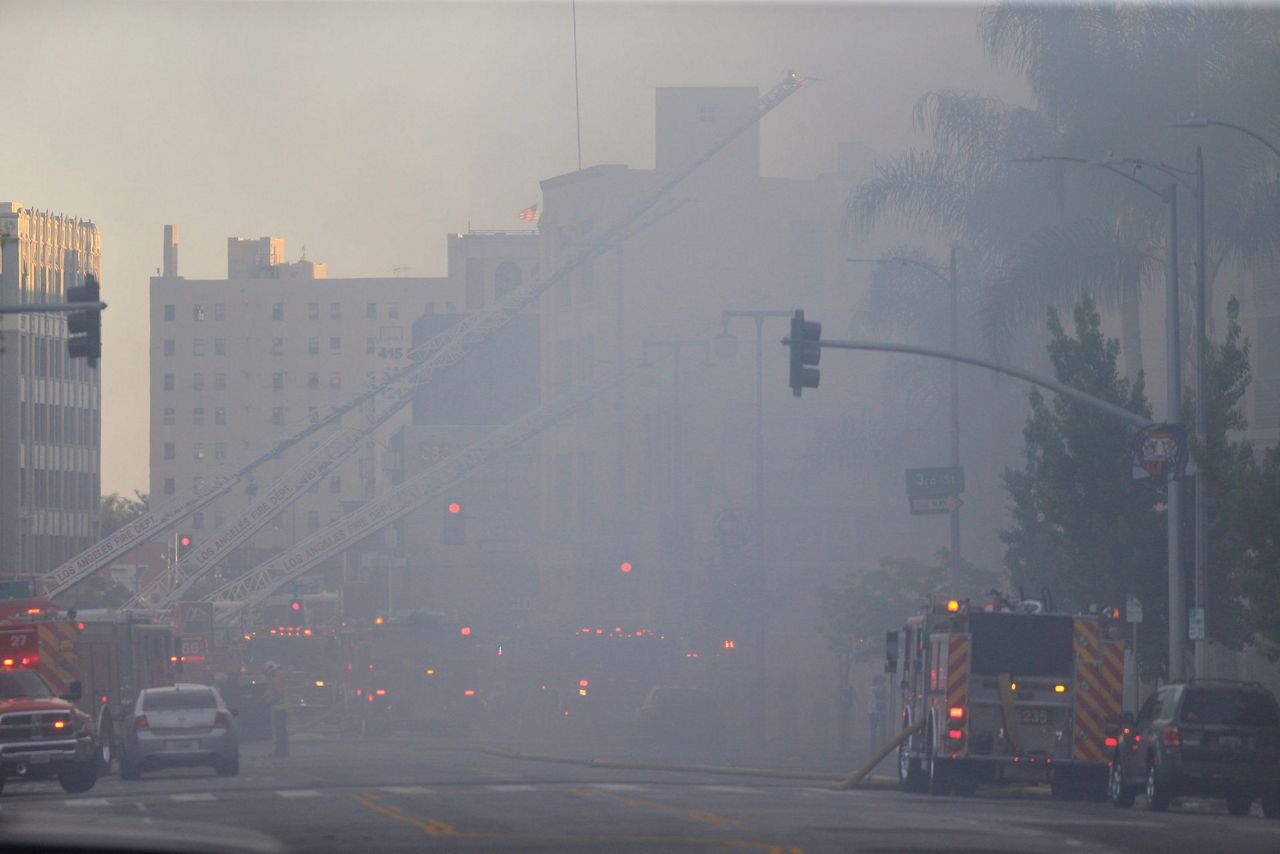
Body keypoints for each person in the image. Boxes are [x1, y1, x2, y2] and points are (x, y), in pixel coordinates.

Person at [264, 661, 290, 758]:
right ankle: (282, 751)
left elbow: (278, 693)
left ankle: (281, 751)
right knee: (281, 731)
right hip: (280, 707)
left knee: (280, 732)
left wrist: (270, 701)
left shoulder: (276, 677)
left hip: (279, 708)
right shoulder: (279, 676)